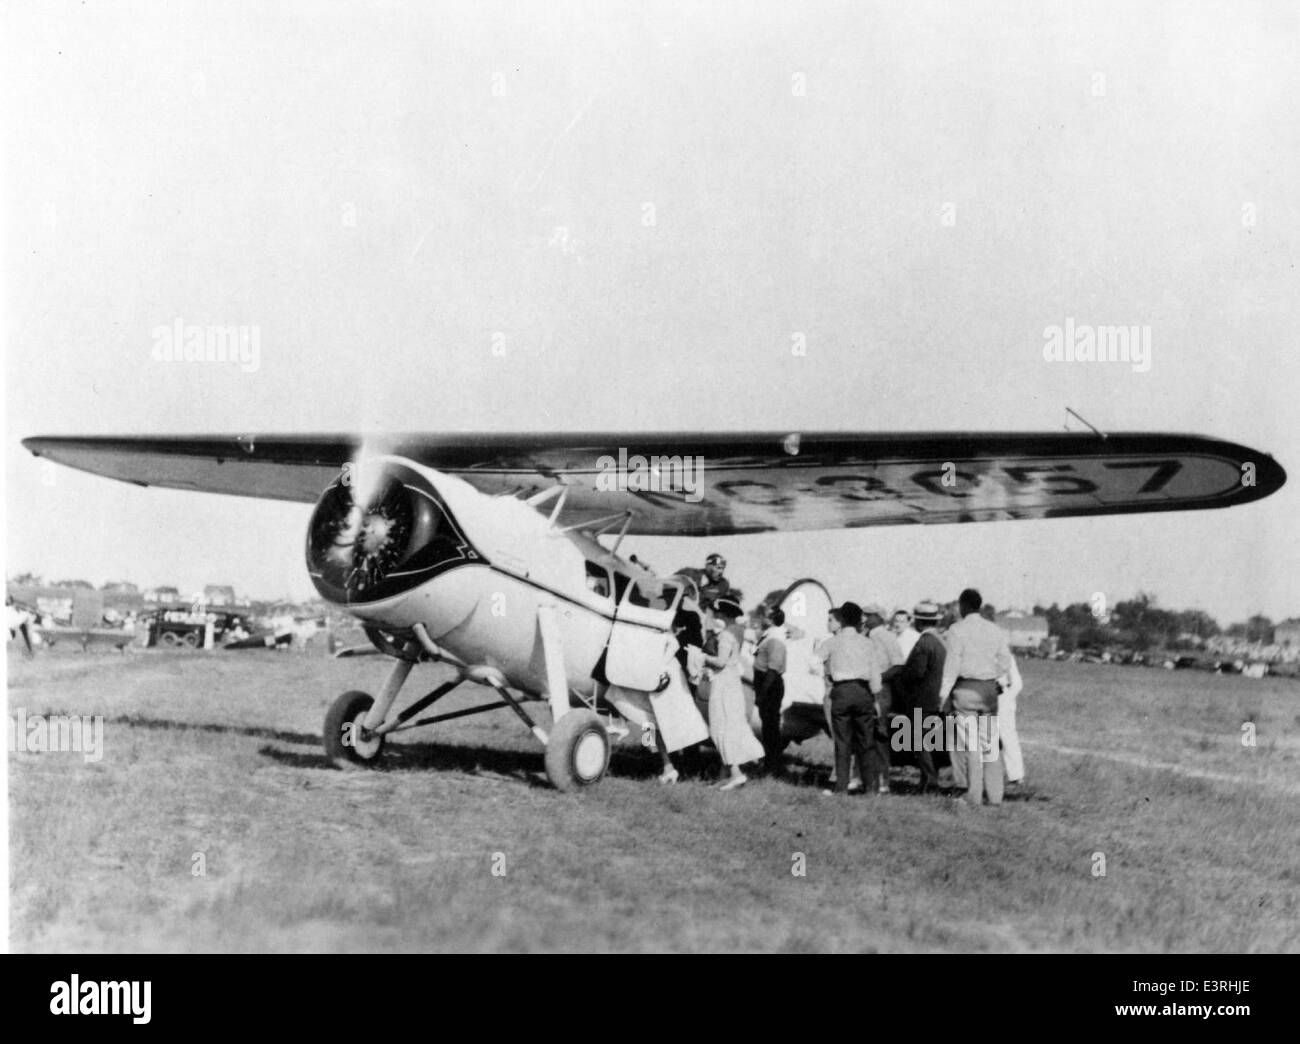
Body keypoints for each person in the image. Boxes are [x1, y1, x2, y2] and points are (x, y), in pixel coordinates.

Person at [940, 588, 1013, 807]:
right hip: (988, 690)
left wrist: (943, 695)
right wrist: (993, 673)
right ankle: (995, 795)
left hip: (965, 689)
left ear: (963, 606)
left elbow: (951, 666)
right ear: (979, 605)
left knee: (971, 745)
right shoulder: (994, 629)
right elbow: (1005, 662)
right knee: (990, 743)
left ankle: (973, 795)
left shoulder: (956, 630)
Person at [700, 596, 764, 790]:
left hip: (723, 682)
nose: (716, 615)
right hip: (732, 682)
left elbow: (720, 662)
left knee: (721, 726)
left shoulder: (726, 635)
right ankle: (725, 774)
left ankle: (736, 773)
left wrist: (702, 656)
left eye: (719, 612)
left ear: (724, 614)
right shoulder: (738, 632)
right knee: (726, 725)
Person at [820, 602, 882, 795]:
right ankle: (871, 787)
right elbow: (875, 675)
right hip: (863, 692)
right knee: (866, 742)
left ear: (842, 619)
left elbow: (814, 663)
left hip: (841, 691)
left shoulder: (831, 642)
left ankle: (841, 787)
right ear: (859, 621)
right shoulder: (867, 643)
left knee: (843, 741)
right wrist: (875, 697)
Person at [895, 601, 947, 793]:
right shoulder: (941, 641)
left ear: (918, 621)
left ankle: (930, 781)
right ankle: (927, 780)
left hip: (921, 700)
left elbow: (915, 672)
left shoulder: (924, 642)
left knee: (919, 743)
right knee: (930, 743)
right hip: (937, 700)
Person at [863, 604, 904, 794]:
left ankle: (883, 782)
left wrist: (878, 679)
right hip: (866, 690)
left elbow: (897, 665)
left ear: (879, 617)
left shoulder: (887, 637)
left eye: (869, 615)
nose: (865, 618)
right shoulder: (865, 637)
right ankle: (868, 779)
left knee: (879, 735)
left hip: (881, 691)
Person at [752, 607, 788, 776]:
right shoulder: (771, 635)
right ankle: (771, 762)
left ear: (772, 619)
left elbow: (773, 669)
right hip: (767, 683)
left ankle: (773, 765)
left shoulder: (775, 638)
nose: (763, 618)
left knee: (770, 727)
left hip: (770, 685)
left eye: (766, 615)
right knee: (768, 727)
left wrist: (762, 693)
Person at [998, 653, 1025, 792]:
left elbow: (1017, 684)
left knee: (1008, 738)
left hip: (1003, 698)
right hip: (989, 697)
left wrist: (1006, 699)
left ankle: (1016, 776)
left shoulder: (1006, 656)